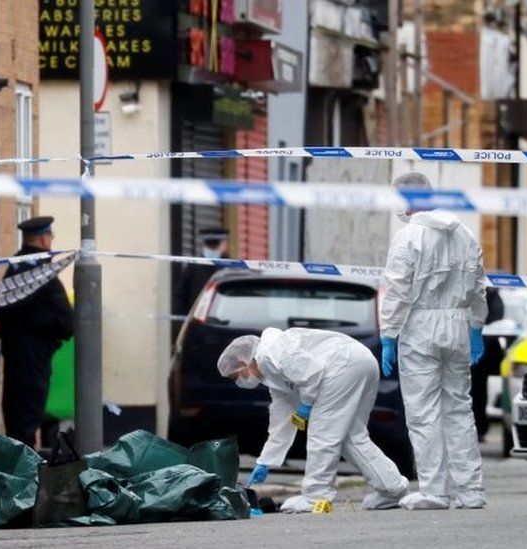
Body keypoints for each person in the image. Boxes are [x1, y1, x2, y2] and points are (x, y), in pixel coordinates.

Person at [380, 171, 488, 510]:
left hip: (421, 327)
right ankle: (471, 491)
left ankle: (435, 490)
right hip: (457, 325)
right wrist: (476, 326)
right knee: (459, 409)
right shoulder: (465, 233)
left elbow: (398, 290)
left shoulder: (409, 237)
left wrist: (388, 334)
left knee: (423, 412)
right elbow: (479, 284)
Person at [217, 328, 409, 513]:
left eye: (237, 375)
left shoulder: (272, 351)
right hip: (361, 362)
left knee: (322, 434)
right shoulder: (273, 378)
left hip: (342, 365)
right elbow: (280, 425)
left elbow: (312, 372)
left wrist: (307, 403)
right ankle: (392, 488)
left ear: (245, 361)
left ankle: (316, 496)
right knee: (352, 436)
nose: (240, 381)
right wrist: (265, 461)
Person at [0, 216, 74, 448]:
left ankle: (22, 464)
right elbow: (16, 311)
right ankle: (26, 472)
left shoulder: (19, 266)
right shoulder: (37, 269)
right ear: (42, 238)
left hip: (23, 352)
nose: (52, 240)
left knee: (20, 413)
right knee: (27, 416)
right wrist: (51, 326)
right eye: (50, 236)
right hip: (31, 354)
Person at [472, 288, 505, 441]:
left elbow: (496, 320)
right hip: (461, 348)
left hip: (481, 353)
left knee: (478, 391)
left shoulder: (490, 294)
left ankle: (479, 428)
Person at [174, 228, 229, 315]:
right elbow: (180, 297)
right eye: (210, 245)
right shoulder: (193, 267)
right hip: (198, 320)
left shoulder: (229, 266)